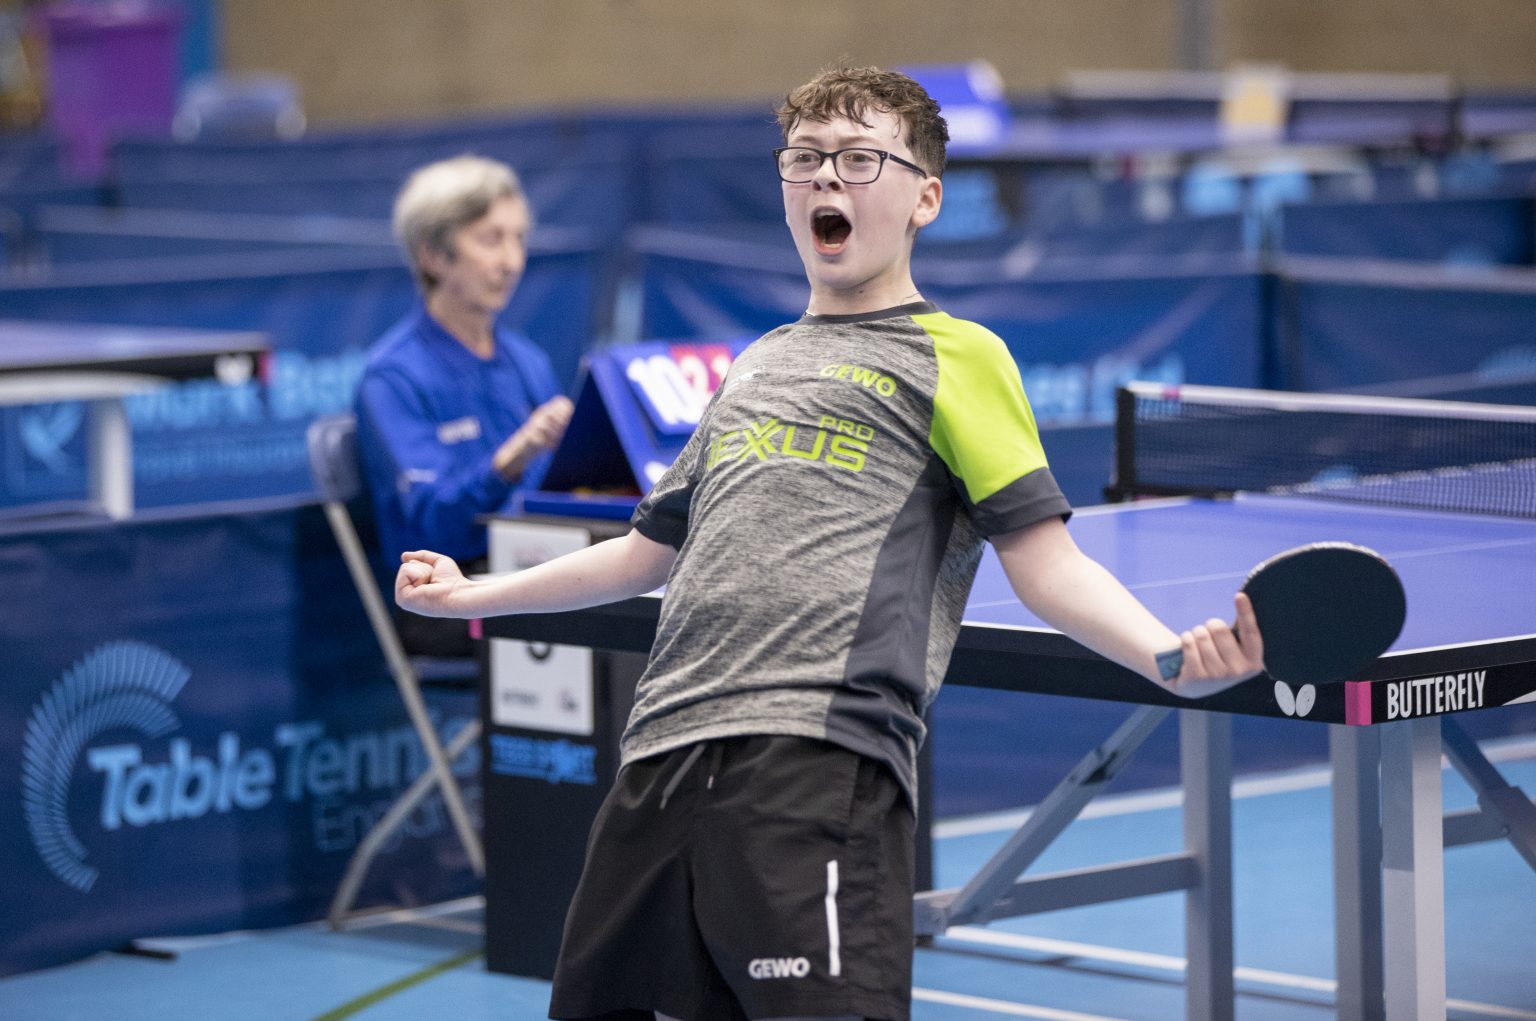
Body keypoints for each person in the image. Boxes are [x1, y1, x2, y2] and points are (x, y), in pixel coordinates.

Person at [395, 67, 1264, 1021]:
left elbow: (1047, 561)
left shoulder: (959, 356)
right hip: (661, 759)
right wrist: (473, 595)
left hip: (816, 760)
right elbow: (647, 554)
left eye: (858, 159)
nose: (826, 182)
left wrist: (1167, 657)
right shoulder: (756, 363)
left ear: (925, 196)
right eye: (805, 160)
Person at [356, 154, 573, 655]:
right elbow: (432, 526)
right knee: (602, 625)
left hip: (535, 568)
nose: (512, 262)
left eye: (518, 238)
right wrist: (510, 459)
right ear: (434, 256)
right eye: (490, 239)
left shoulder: (527, 361)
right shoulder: (392, 377)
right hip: (444, 597)